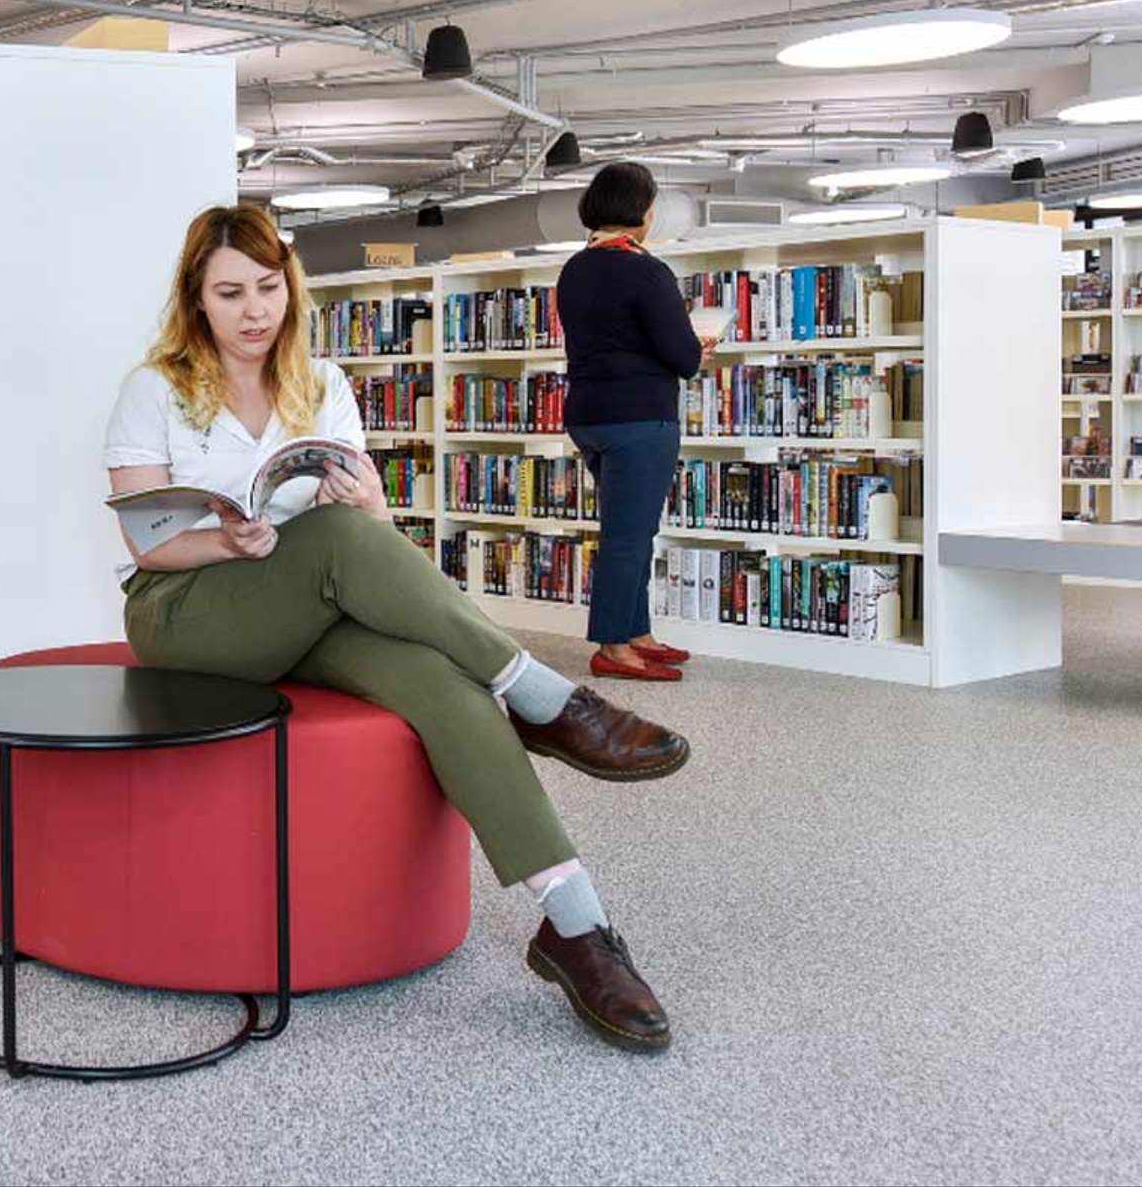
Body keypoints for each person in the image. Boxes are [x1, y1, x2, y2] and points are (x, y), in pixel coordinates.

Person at [104, 204, 692, 1051]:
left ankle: (577, 926)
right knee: (335, 540)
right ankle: (548, 699)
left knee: (443, 685)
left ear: (289, 289)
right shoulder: (153, 389)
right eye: (230, 293)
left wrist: (367, 503)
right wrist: (228, 541)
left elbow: (366, 535)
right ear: (196, 298)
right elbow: (149, 545)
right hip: (186, 611)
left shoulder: (322, 384)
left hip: (306, 608)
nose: (254, 311)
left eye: (268, 288)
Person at [555, 161, 713, 682]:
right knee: (629, 535)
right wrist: (698, 348)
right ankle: (613, 647)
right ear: (643, 212)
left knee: (630, 528)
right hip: (640, 417)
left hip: (589, 415)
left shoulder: (575, 269)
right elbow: (681, 356)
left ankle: (636, 632)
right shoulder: (647, 270)